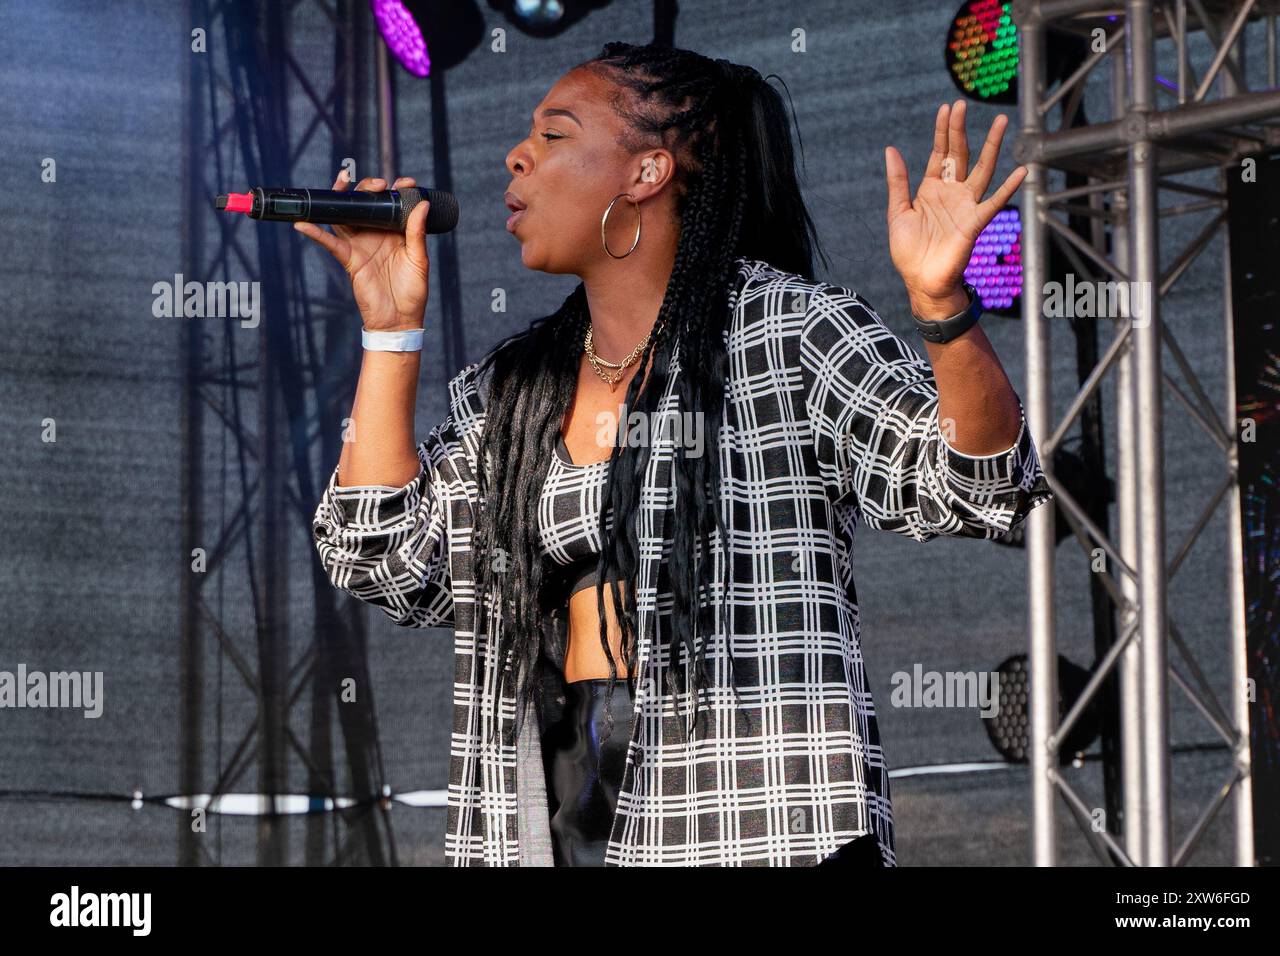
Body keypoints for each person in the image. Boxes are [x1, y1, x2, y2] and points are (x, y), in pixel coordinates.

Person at [304, 41, 1052, 867]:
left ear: (646, 173)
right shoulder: (512, 391)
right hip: (548, 811)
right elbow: (380, 554)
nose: (517, 155)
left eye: (553, 136)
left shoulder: (784, 332)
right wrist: (389, 326)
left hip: (751, 811)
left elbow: (978, 481)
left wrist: (942, 306)